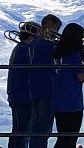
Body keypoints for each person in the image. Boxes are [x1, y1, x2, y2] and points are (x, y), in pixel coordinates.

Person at [51, 23, 84, 148]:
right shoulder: (74, 53)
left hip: (58, 101)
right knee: (70, 140)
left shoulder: (58, 52)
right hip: (72, 103)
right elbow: (81, 77)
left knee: (62, 138)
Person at [27, 14, 61, 148]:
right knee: (42, 129)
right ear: (49, 26)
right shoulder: (45, 44)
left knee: (38, 128)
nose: (57, 33)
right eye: (56, 29)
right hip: (46, 90)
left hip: (37, 90)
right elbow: (56, 60)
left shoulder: (35, 43)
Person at [7, 22, 35, 148]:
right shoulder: (26, 50)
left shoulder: (18, 48)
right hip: (24, 95)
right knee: (23, 131)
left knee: (18, 130)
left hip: (16, 94)